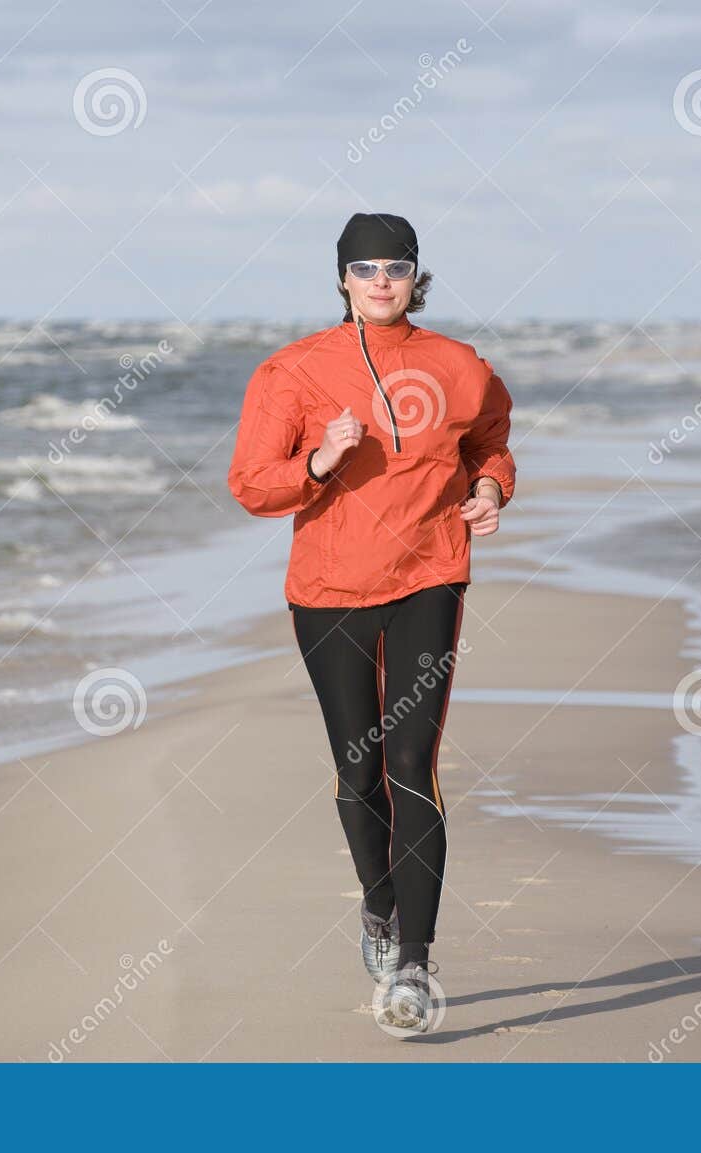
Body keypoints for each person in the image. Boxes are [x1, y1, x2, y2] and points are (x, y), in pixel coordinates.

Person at [227, 212, 516, 1032]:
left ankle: (415, 964)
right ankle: (380, 904)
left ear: (415, 276)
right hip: (329, 588)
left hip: (430, 575)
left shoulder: (460, 366)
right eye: (365, 268)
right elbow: (252, 483)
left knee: (411, 762)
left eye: (396, 266)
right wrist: (320, 459)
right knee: (359, 768)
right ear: (343, 278)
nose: (381, 280)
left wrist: (489, 489)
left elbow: (490, 444)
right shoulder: (291, 370)